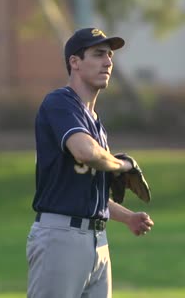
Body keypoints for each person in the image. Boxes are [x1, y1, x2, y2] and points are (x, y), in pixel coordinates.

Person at [26, 27, 155, 298]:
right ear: (75, 62)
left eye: (109, 55)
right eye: (98, 54)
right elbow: (85, 153)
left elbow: (83, 191)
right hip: (60, 239)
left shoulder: (95, 124)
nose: (108, 61)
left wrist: (127, 217)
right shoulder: (60, 103)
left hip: (97, 240)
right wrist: (122, 165)